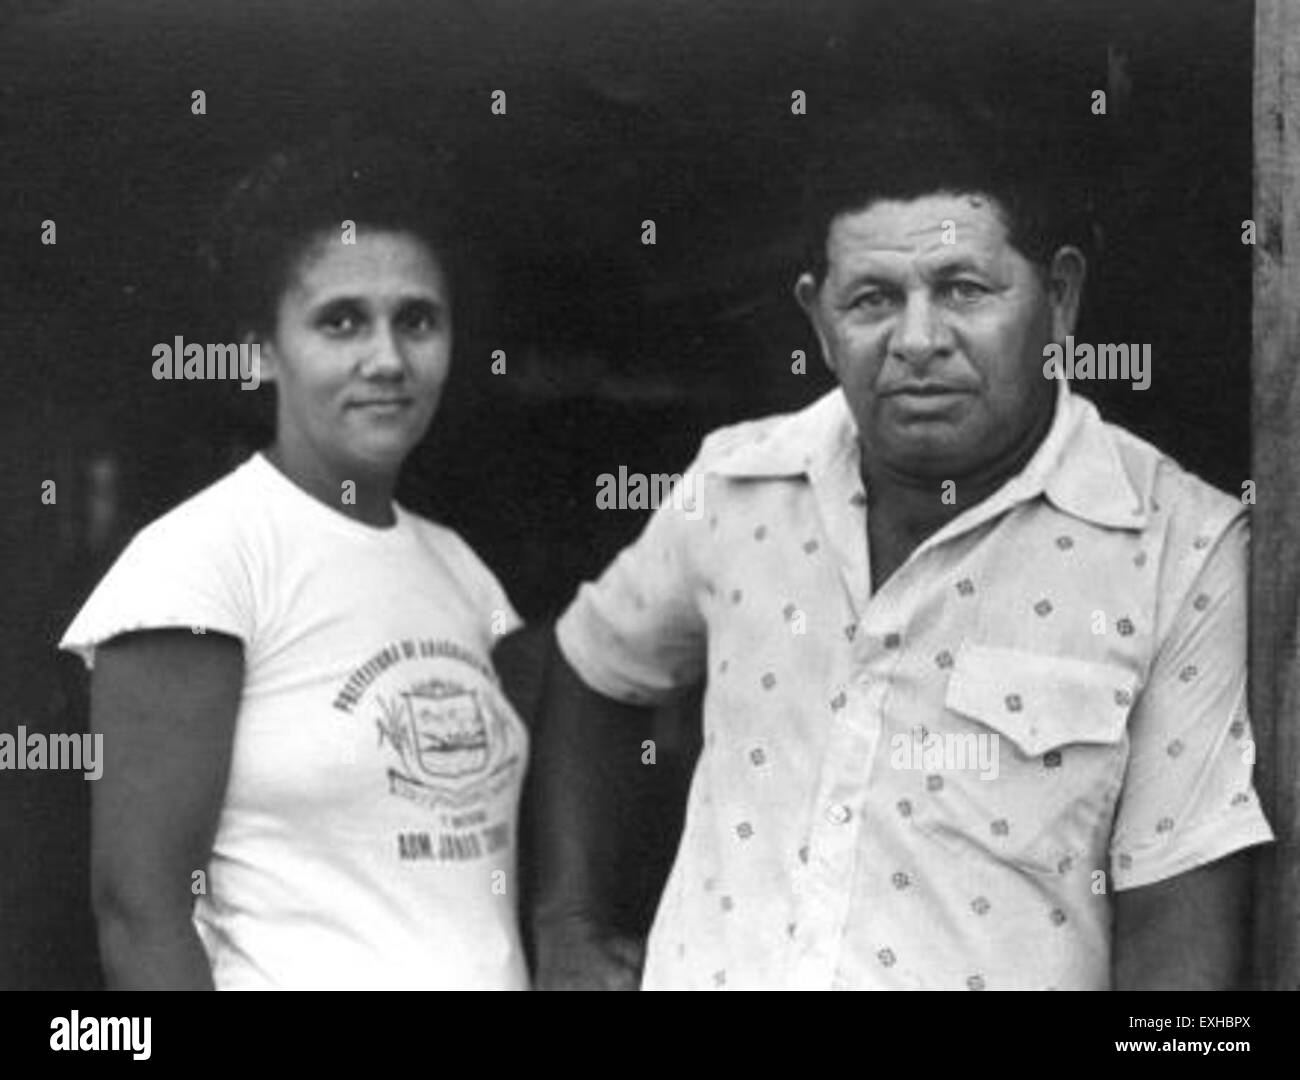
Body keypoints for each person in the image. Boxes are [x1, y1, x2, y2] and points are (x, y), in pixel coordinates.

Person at [531, 103, 1274, 990]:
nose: (918, 341)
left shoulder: (1179, 550)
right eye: (874, 299)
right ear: (818, 319)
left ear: (1061, 298)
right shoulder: (736, 484)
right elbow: (594, 662)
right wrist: (567, 922)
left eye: (963, 288)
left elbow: (1179, 938)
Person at [60, 138, 530, 989]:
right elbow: (138, 913)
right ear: (263, 349)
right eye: (341, 320)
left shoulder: (462, 572)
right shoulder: (199, 564)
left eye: (416, 319)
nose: (387, 358)